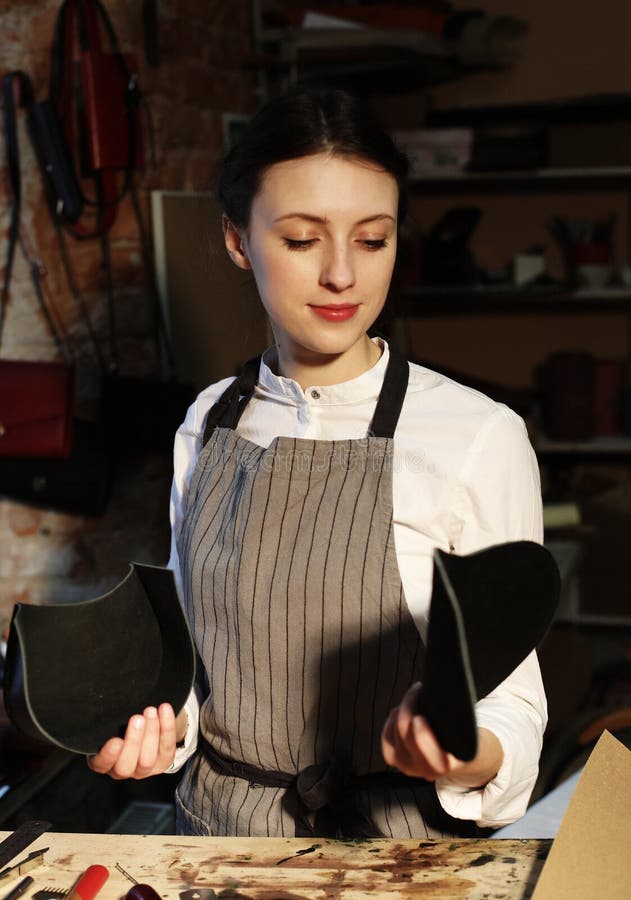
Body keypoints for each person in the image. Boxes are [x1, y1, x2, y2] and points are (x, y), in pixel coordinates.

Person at [88, 87, 546, 839]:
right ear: (238, 240)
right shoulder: (207, 421)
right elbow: (195, 666)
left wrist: (465, 754)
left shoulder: (474, 434)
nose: (342, 275)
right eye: (301, 240)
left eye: (372, 240)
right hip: (220, 843)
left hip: (398, 856)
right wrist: (158, 731)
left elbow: (511, 697)